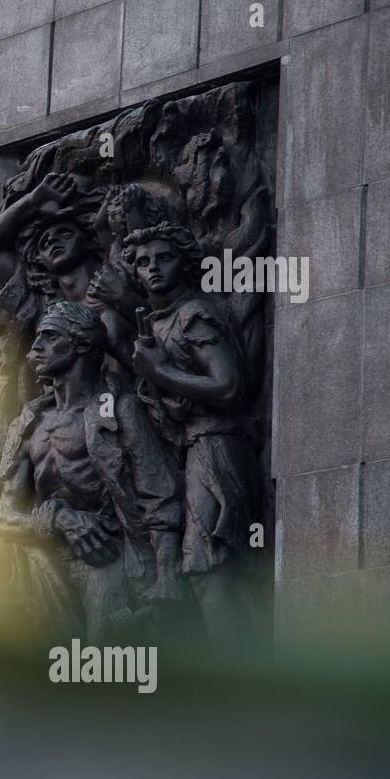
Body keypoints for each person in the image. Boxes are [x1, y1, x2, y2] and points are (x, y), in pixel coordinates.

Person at [0, 301, 183, 641]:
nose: (35, 348)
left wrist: (166, 575)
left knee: (101, 666)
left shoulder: (121, 409)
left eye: (49, 337)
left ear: (82, 344)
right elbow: (4, 517)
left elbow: (161, 498)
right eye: (37, 338)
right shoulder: (28, 423)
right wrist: (59, 517)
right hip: (44, 561)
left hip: (109, 559)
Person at [123, 222, 260, 644]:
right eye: (143, 263)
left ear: (184, 263)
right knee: (200, 571)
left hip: (216, 443)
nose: (153, 268)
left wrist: (161, 370)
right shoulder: (156, 323)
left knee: (206, 568)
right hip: (187, 447)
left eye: (163, 258)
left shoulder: (194, 314)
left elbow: (229, 386)